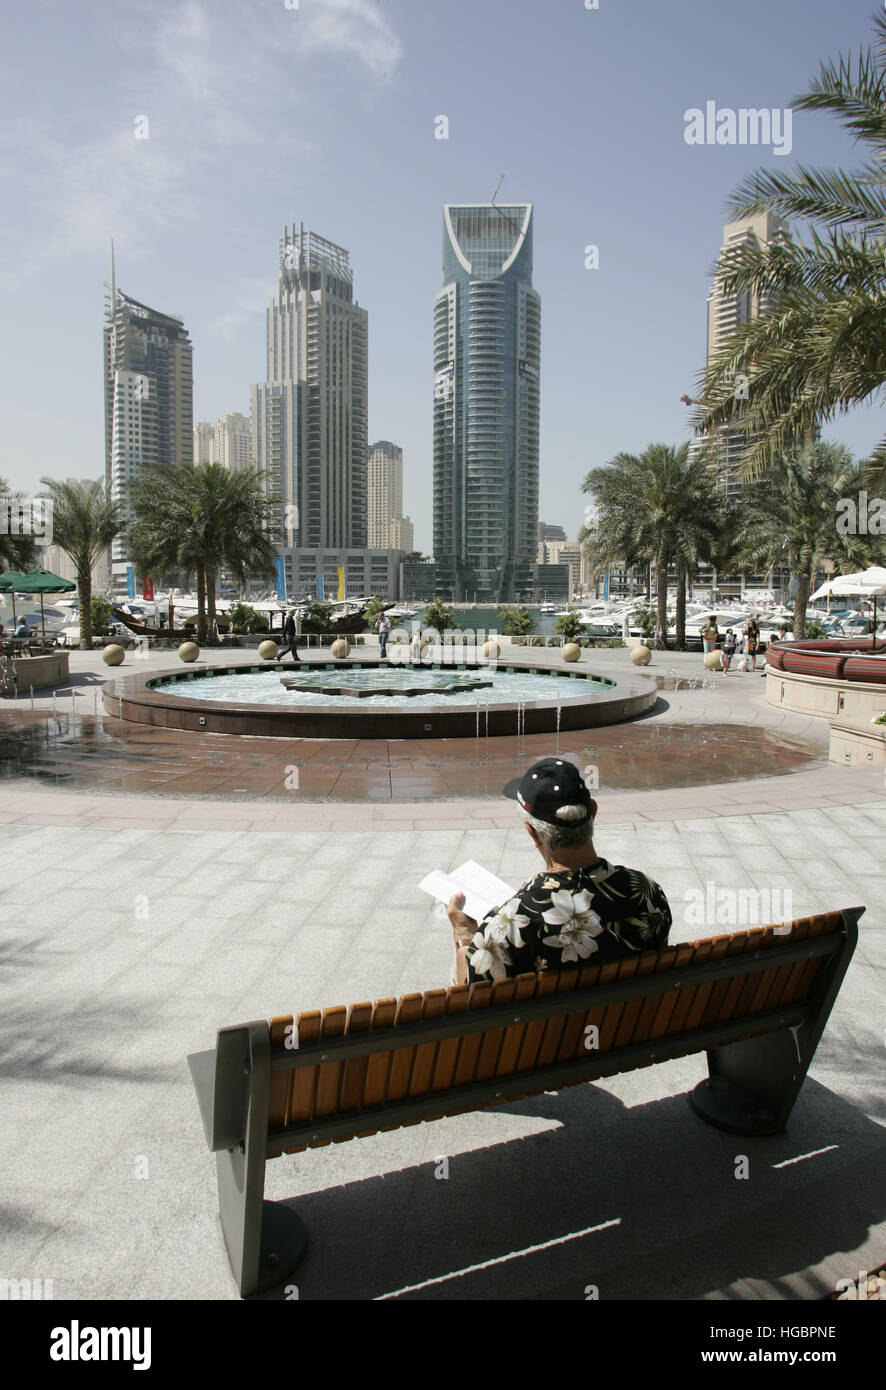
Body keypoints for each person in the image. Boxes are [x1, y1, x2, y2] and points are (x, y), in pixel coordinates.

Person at [447, 758, 672, 987]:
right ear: (592, 812)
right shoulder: (646, 892)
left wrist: (463, 935)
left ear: (532, 833)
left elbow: (468, 1002)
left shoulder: (513, 924)